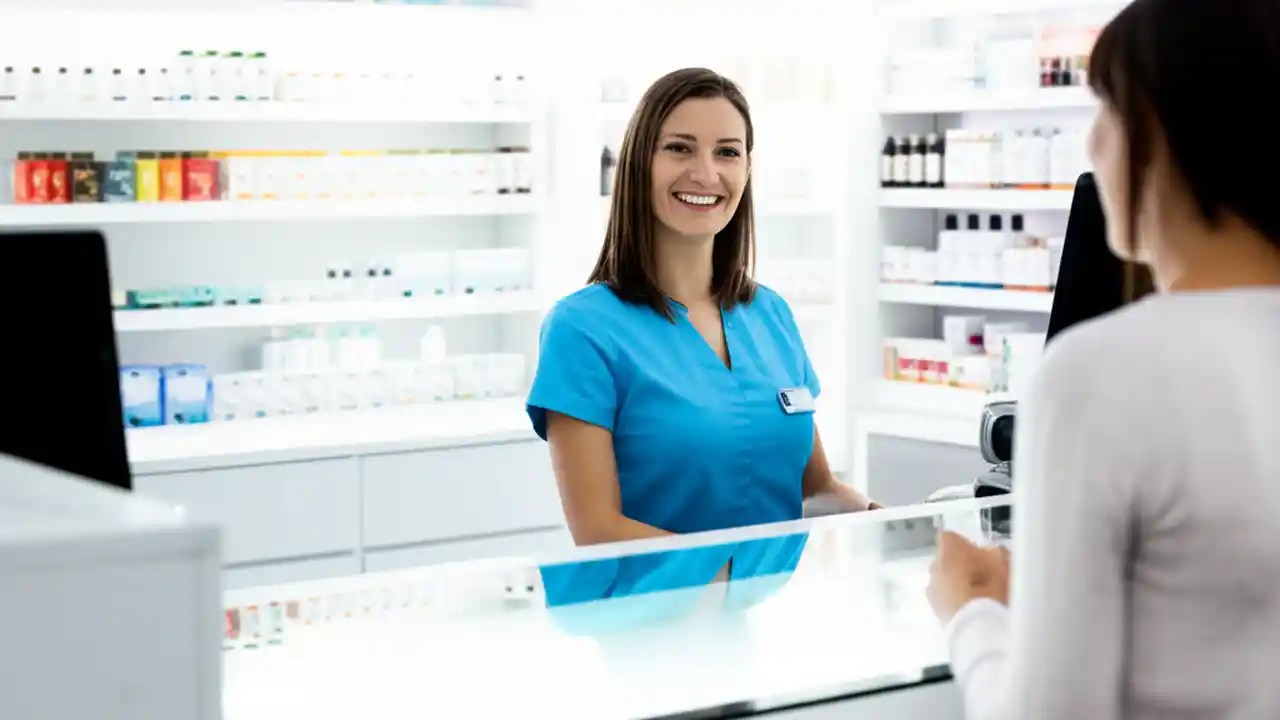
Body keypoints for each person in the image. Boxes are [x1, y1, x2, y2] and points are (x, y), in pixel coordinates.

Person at [926, 1, 1280, 718]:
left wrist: (971, 612)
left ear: (1162, 131)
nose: (1092, 146)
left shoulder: (1103, 373)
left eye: (1105, 113)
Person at [526, 67, 876, 548]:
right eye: (679, 148)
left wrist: (897, 529)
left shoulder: (770, 314)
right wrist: (736, 580)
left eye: (727, 152)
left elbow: (815, 491)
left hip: (763, 615)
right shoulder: (583, 329)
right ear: (638, 164)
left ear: (747, 170)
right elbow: (600, 533)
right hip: (650, 617)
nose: (706, 173)